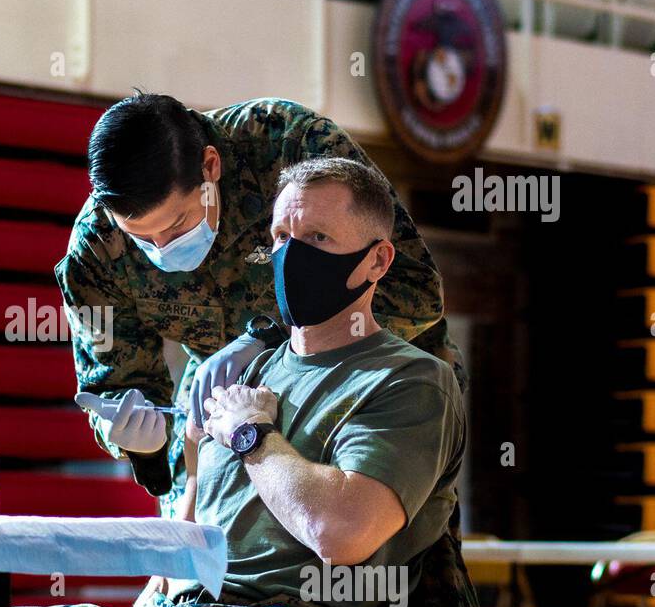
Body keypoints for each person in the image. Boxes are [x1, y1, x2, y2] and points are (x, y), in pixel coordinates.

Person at [0, 157, 496, 607]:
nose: (292, 255)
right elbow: (188, 533)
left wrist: (252, 437)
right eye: (282, 236)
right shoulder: (239, 372)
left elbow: (342, 533)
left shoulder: (408, 380)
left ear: (377, 260)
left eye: (317, 237)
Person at [55, 93, 463, 516]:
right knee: (195, 555)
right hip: (229, 408)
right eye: (143, 238)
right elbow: (112, 386)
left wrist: (266, 340)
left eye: (177, 224)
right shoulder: (97, 248)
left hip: (369, 387)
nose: (163, 247)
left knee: (389, 554)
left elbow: (415, 292)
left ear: (210, 166)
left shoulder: (286, 144)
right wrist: (137, 439)